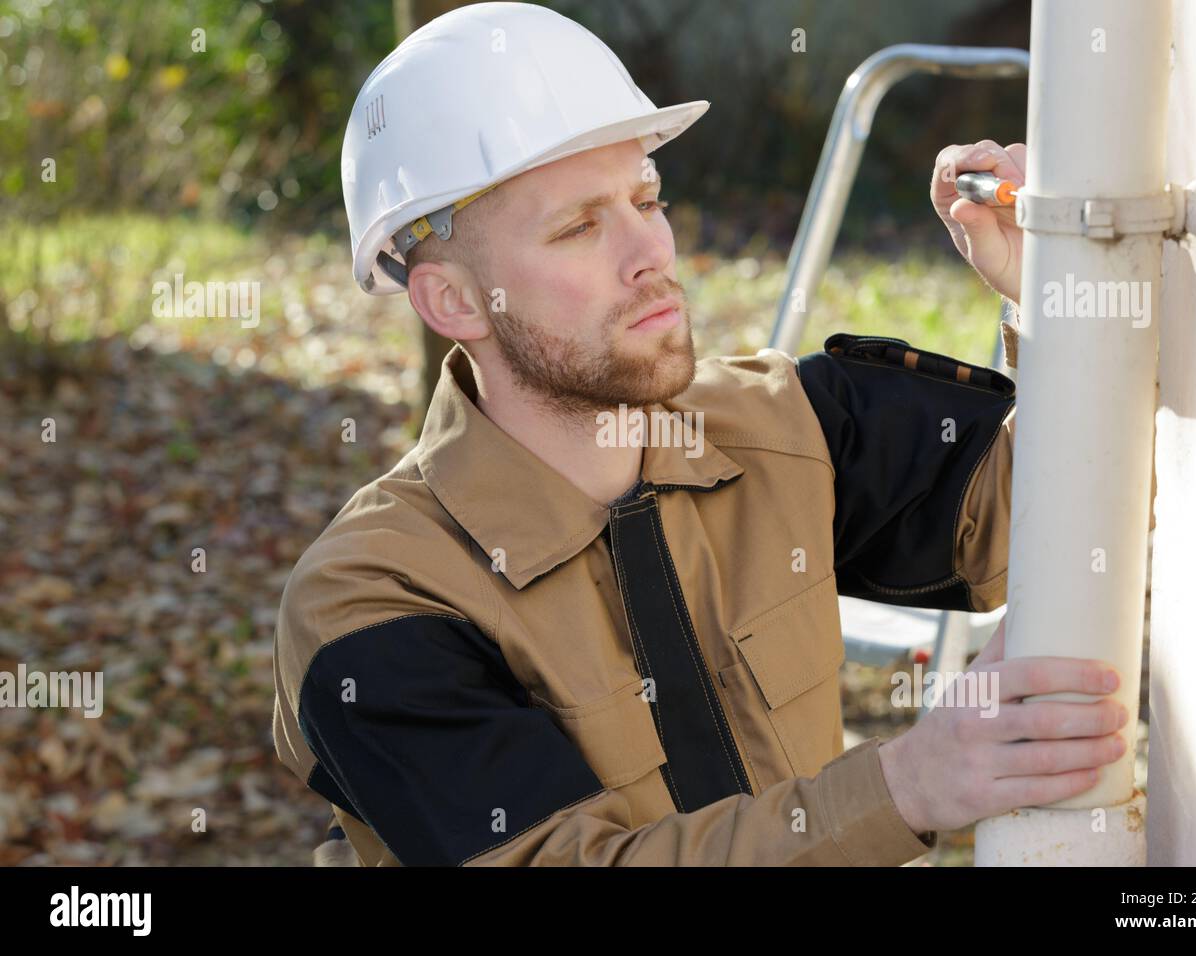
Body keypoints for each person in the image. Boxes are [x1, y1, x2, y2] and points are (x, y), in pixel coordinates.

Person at [271, 1, 1128, 867]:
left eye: (647, 199)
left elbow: (1078, 528)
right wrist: (909, 784)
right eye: (578, 227)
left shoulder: (780, 427)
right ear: (452, 301)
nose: (650, 252)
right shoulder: (373, 600)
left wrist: (1055, 294)